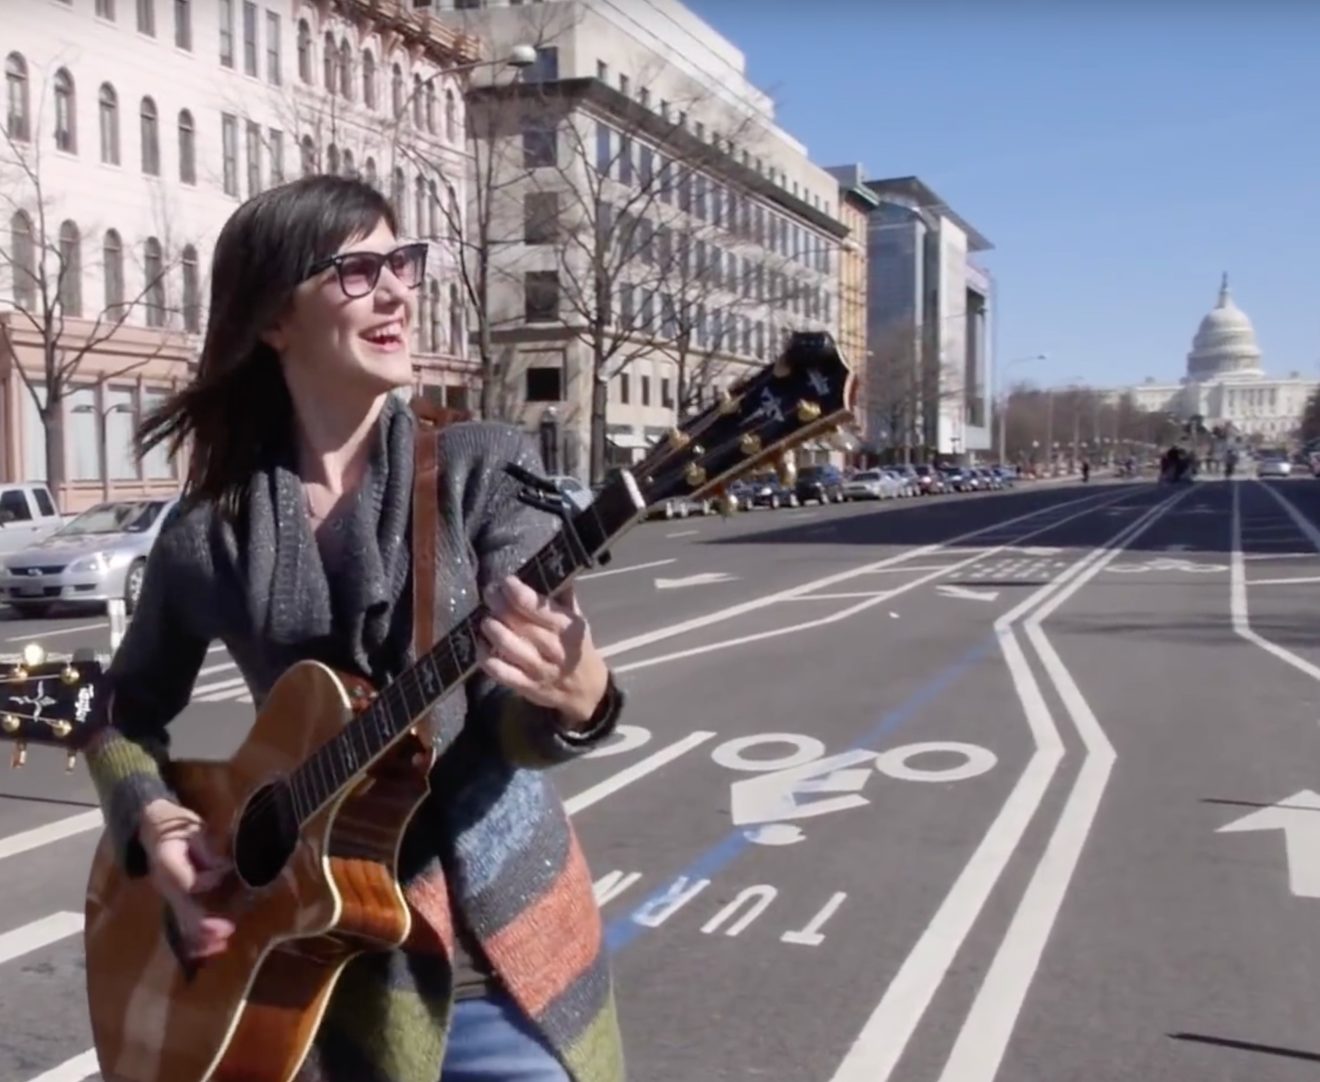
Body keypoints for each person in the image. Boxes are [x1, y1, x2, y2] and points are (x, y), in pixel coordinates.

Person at [81, 176, 626, 1082]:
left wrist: (576, 700)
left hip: (506, 968)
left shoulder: (482, 468)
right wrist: (156, 821)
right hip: (315, 975)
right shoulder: (207, 533)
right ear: (273, 321)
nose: (398, 289)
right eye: (356, 268)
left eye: (402, 263)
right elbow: (117, 708)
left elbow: (512, 722)